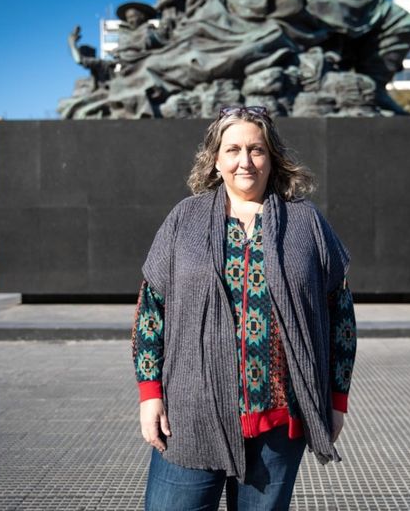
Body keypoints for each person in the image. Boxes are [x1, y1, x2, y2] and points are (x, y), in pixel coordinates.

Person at [132, 105, 357, 510]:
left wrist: (335, 400)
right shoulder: (185, 219)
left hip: (277, 422)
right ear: (215, 160)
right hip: (190, 417)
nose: (245, 161)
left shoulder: (306, 223)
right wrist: (150, 395)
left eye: (256, 149)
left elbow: (340, 315)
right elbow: (151, 310)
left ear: (272, 158)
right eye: (233, 149)